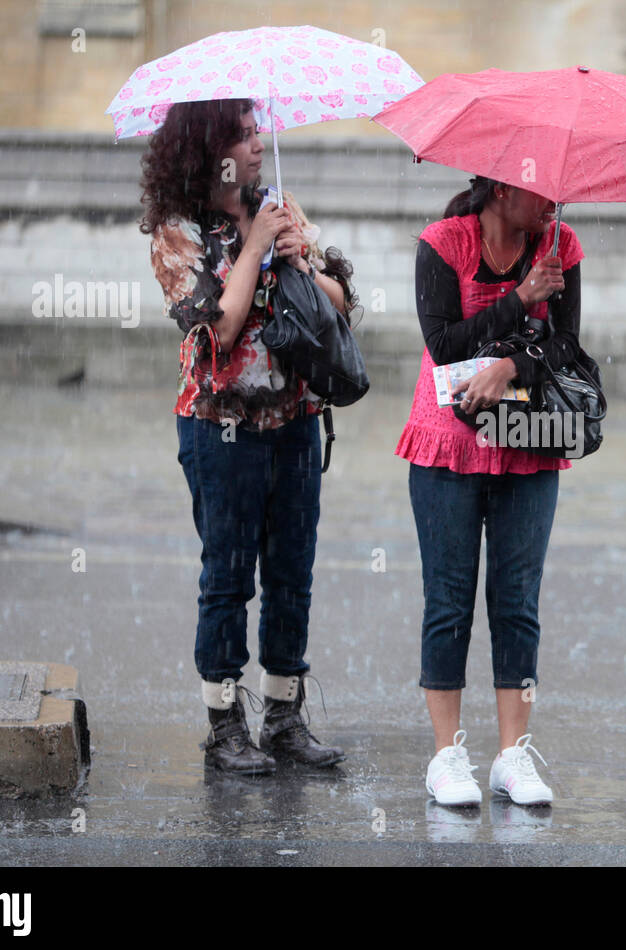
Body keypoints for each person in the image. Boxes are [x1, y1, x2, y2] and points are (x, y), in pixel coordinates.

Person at [140, 97, 358, 774]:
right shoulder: (176, 231)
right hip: (218, 428)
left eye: (258, 131)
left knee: (292, 572)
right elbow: (217, 328)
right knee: (228, 576)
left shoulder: (276, 204)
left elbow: (343, 305)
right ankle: (225, 725)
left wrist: (302, 261)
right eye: (244, 134)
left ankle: (286, 717)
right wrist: (258, 246)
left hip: (293, 419)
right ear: (210, 150)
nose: (259, 144)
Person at [395, 176, 585, 805]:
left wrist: (511, 367)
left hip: (528, 442)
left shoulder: (563, 246)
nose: (554, 199)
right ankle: (447, 757)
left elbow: (565, 347)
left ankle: (511, 756)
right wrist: (518, 300)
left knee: (517, 601)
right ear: (503, 189)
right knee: (448, 600)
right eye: (542, 188)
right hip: (447, 443)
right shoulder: (442, 245)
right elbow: (443, 344)